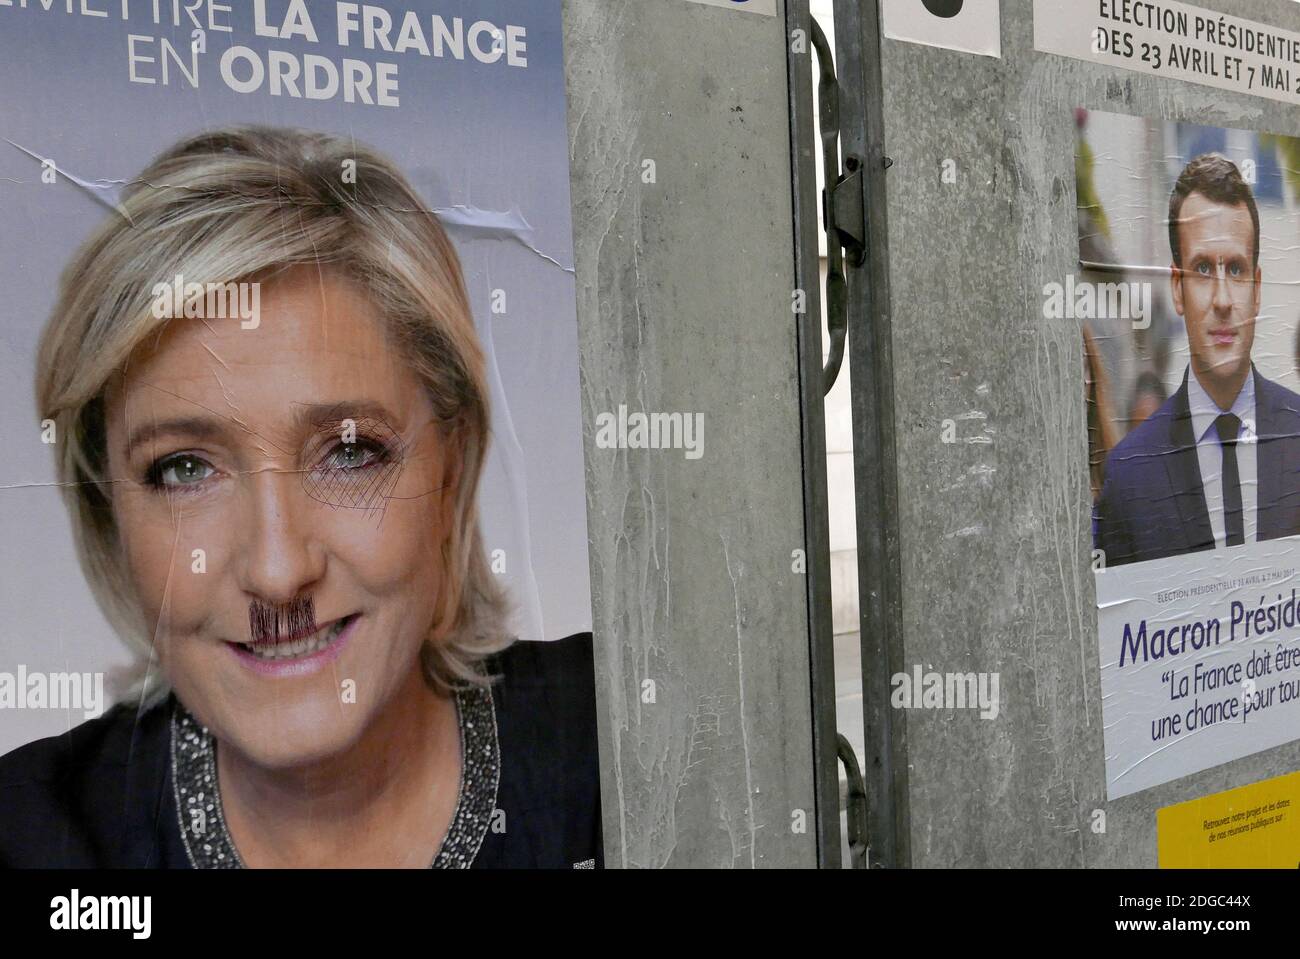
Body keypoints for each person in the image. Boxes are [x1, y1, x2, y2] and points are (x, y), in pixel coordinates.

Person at [0, 127, 602, 868]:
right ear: (109, 513)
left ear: (452, 468)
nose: (279, 571)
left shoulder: (635, 740)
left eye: (349, 453)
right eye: (185, 467)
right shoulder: (31, 836)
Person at [1093, 153, 1300, 568]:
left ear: (1257, 290)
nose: (1223, 300)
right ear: (1177, 289)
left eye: (1237, 270)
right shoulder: (1129, 476)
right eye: (1203, 269)